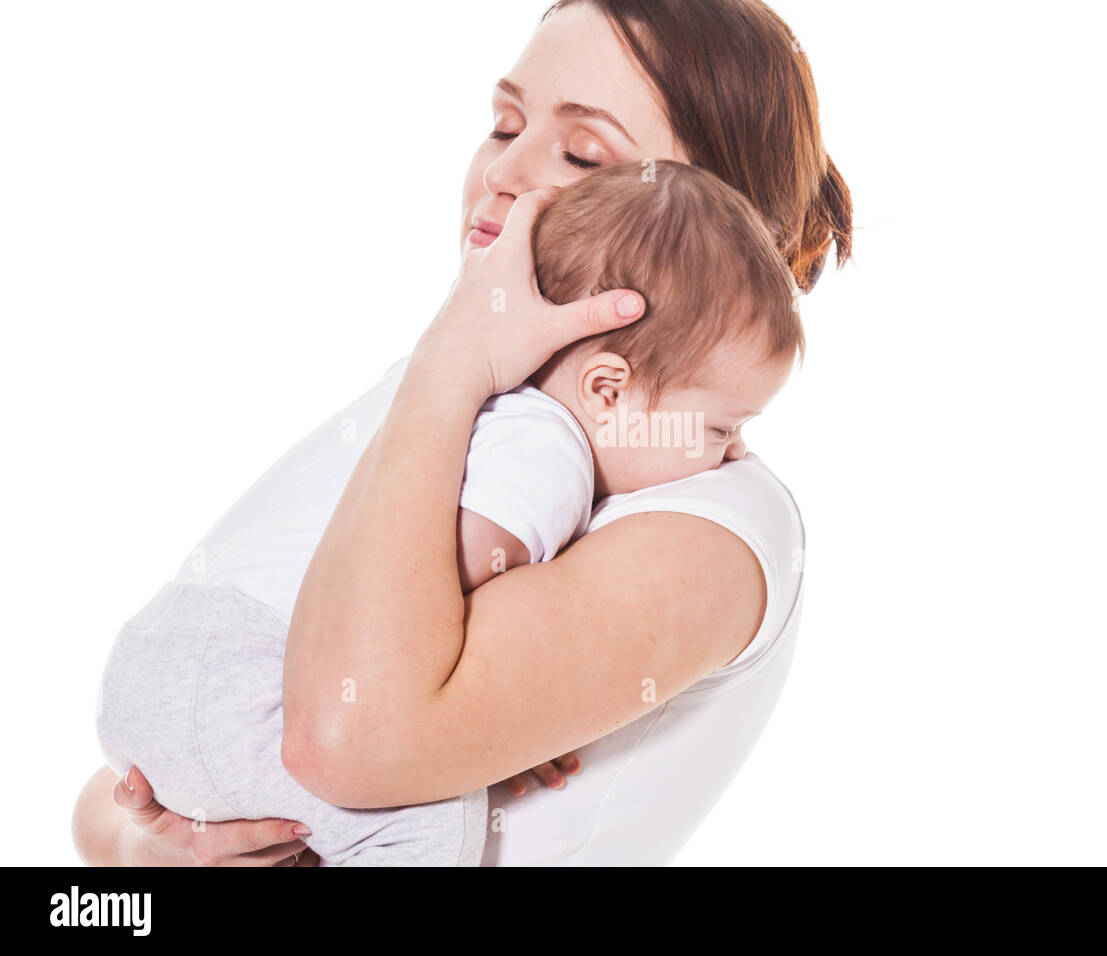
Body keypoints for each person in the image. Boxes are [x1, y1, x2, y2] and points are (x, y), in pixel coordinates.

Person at [73, 0, 852, 867]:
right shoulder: (467, 405)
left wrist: (447, 369)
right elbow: (108, 805)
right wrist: (165, 856)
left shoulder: (713, 509)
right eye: (503, 123)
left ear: (718, 222)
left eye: (583, 153)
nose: (505, 170)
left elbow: (344, 734)